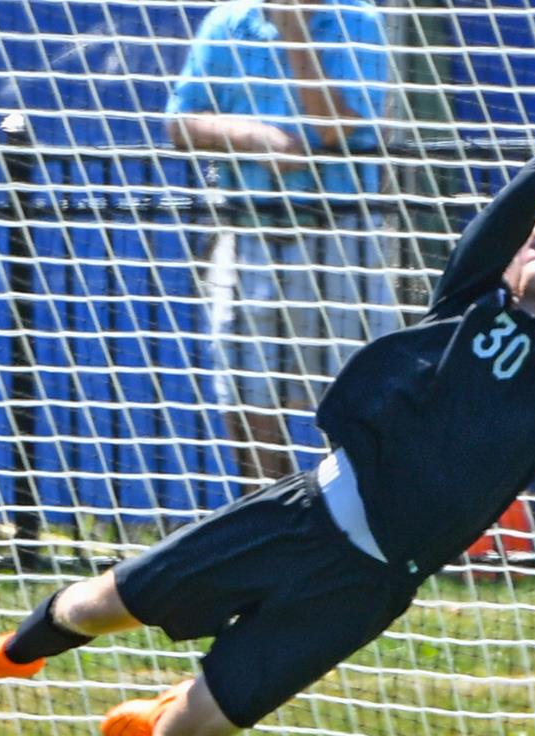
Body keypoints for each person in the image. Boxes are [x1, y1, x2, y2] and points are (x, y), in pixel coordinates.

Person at [0, 74, 535, 736]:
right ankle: (2, 657)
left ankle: (174, 703)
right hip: (304, 516)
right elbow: (513, 204)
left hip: (368, 587)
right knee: (95, 610)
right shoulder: (465, 307)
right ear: (509, 258)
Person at [170, 0, 398, 485]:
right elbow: (180, 123)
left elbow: (337, 128)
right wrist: (250, 137)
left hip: (339, 238)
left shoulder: (359, 22)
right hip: (249, 232)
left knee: (354, 397)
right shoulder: (227, 23)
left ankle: (350, 528)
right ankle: (266, 526)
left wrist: (295, 33)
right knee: (248, 397)